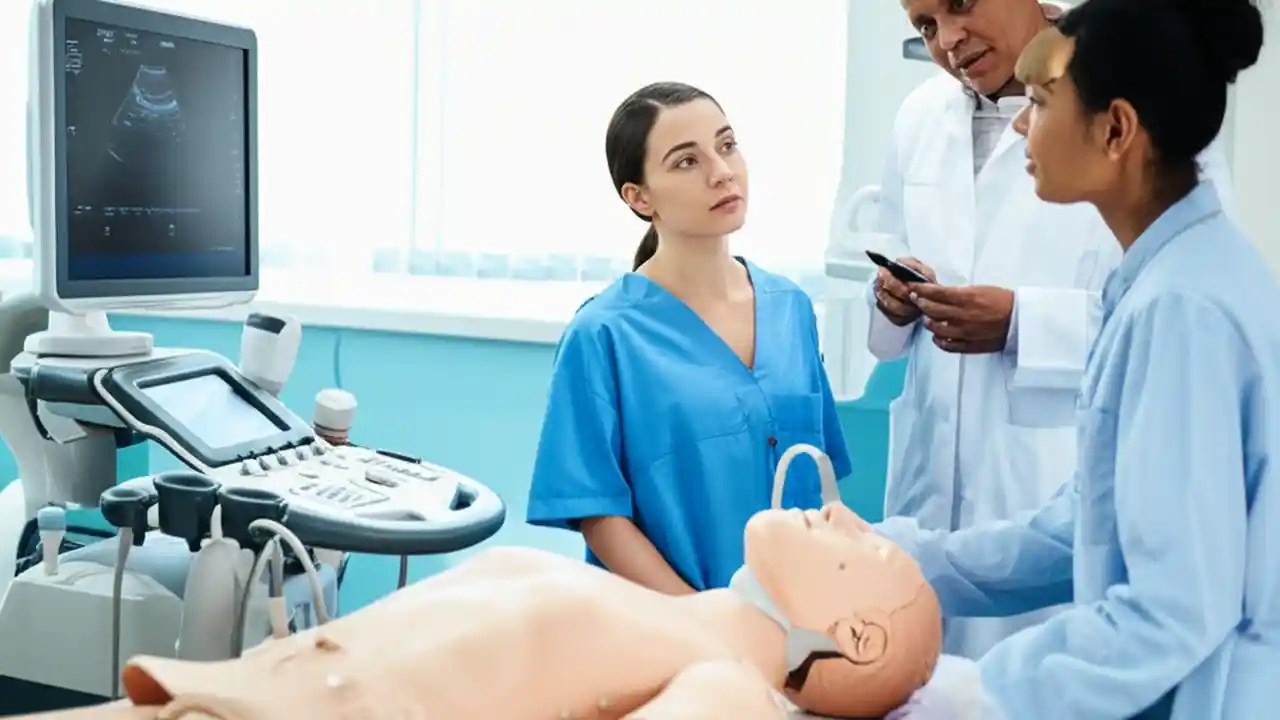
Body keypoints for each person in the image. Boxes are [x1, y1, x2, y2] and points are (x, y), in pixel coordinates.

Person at [872, 0, 1278, 717]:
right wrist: (901, 557)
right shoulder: (1163, 278)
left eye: (1040, 101)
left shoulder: (1181, 310)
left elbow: (1171, 613)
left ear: (1116, 129)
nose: (1021, 124)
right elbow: (1080, 528)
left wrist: (977, 692)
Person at [13, 447, 945, 720]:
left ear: (856, 638)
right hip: (218, 699)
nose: (850, 515)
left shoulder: (727, 686)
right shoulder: (662, 621)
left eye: (870, 552)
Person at [526, 82, 852, 594]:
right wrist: (705, 620)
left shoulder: (791, 309)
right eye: (686, 162)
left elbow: (820, 483)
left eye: (726, 146)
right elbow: (599, 516)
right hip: (670, 630)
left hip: (797, 624)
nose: (721, 172)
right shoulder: (604, 335)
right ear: (638, 197)